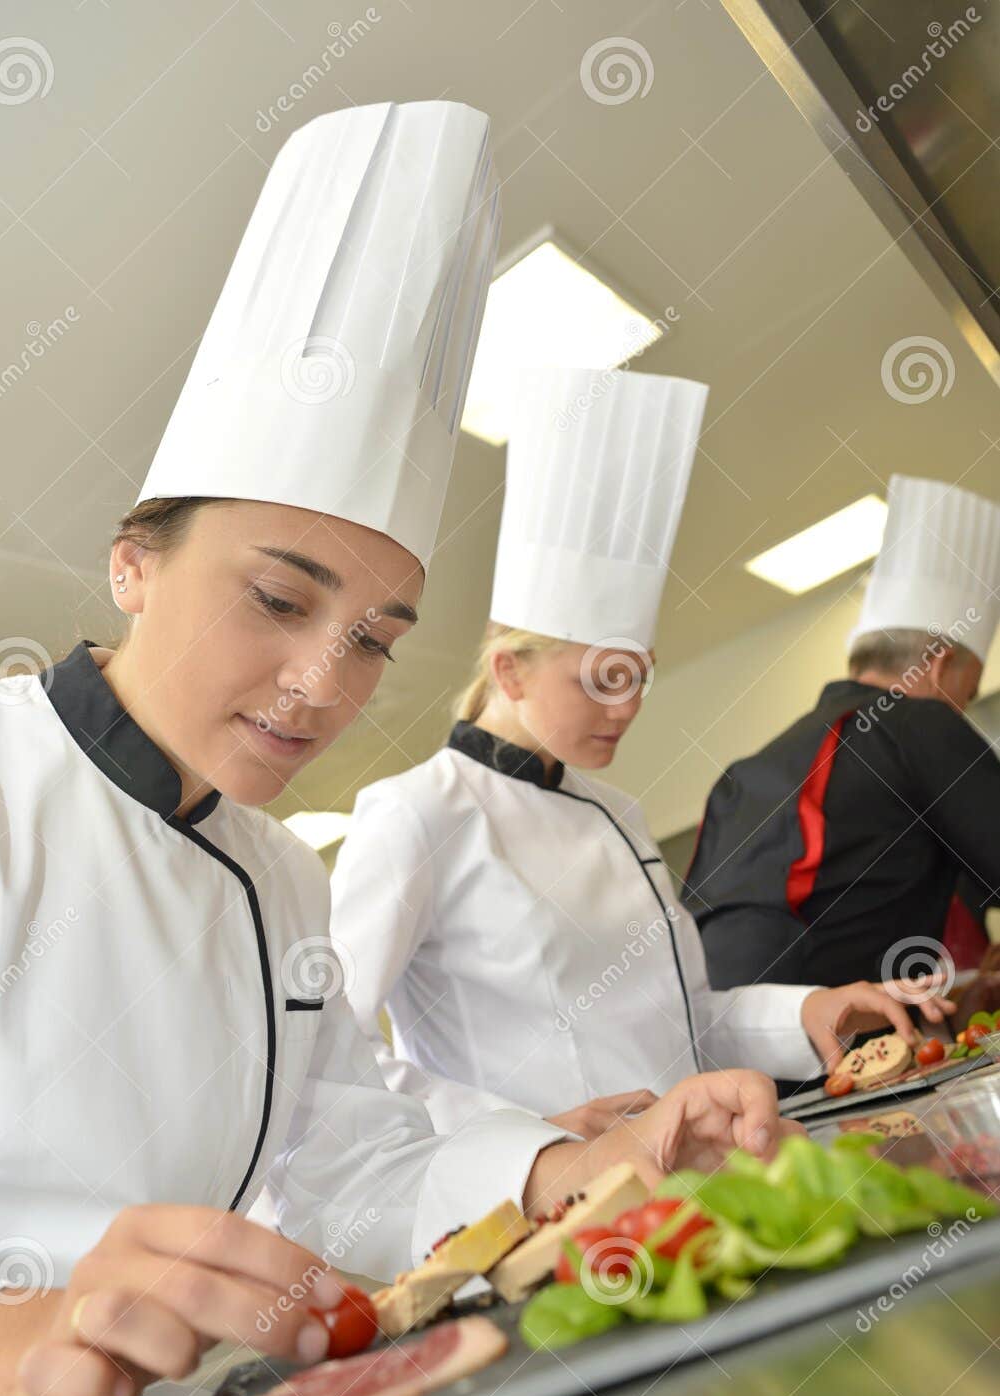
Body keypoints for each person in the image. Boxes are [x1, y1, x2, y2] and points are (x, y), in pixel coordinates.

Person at [0, 105, 799, 1396]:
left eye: (376, 640)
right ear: (134, 564)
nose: (321, 684)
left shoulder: (279, 873)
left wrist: (569, 1171)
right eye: (279, 598)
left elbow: (351, 1154)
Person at [330, 371, 950, 1127]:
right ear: (508, 670)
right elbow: (336, 1050)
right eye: (601, 680)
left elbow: (690, 1023)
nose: (625, 708)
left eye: (638, 679)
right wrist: (520, 1136)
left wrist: (810, 1010)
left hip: (692, 1168)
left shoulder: (614, 814)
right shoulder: (415, 812)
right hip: (543, 1202)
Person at [683, 476, 1000, 989]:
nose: (963, 707)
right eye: (971, 689)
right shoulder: (919, 722)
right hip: (838, 1049)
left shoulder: (748, 770)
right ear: (940, 667)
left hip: (728, 1038)